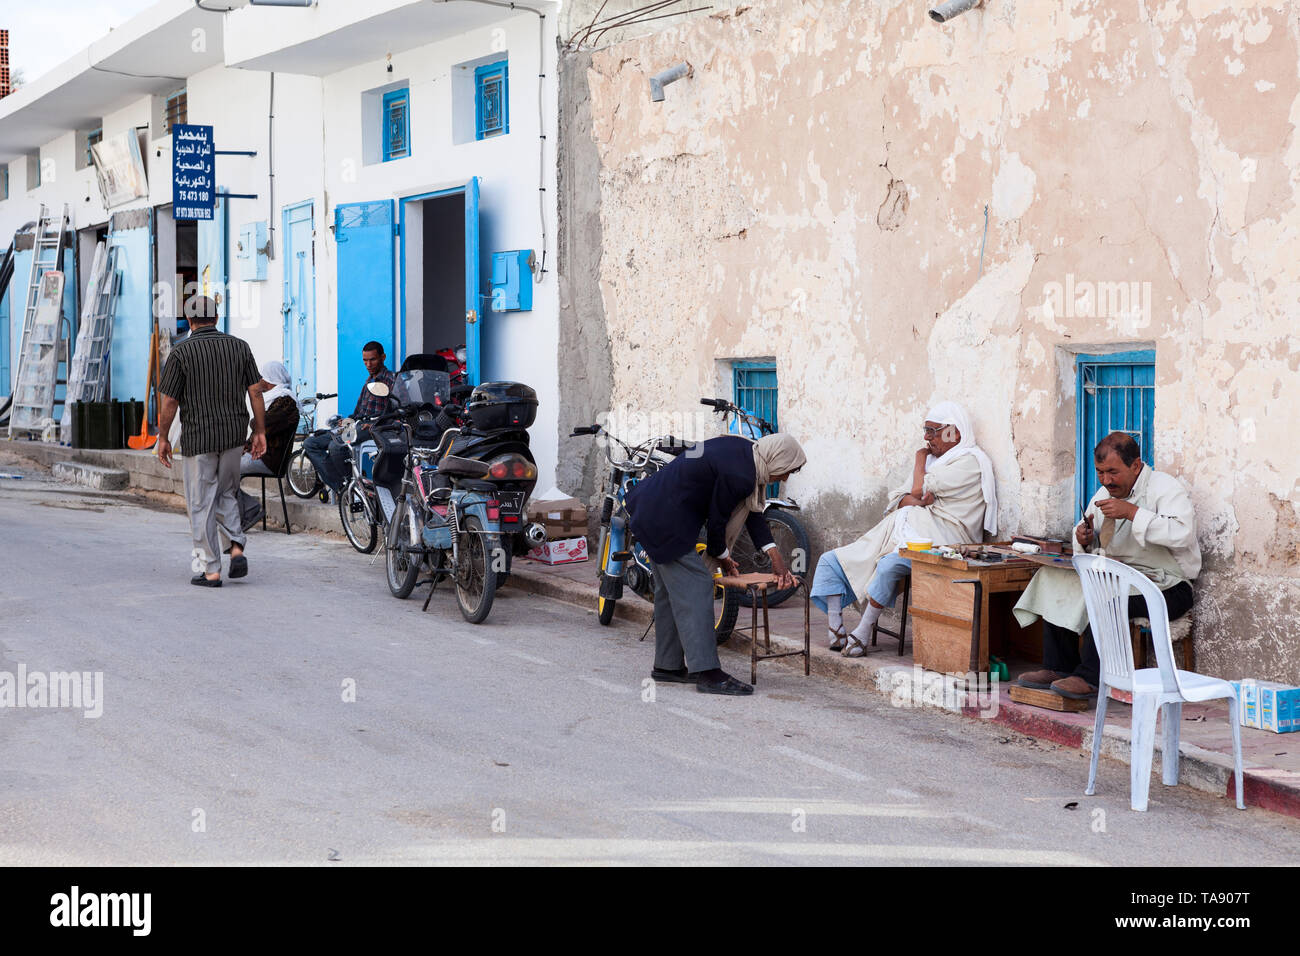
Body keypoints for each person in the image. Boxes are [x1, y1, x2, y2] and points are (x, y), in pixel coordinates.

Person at [1013, 433, 1200, 699]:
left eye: (1113, 472)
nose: (1106, 480)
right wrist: (1084, 537)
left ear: (1135, 466)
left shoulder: (1164, 488)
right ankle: (1058, 667)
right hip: (1123, 576)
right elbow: (1088, 532)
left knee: (1106, 599)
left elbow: (1182, 533)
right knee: (1055, 579)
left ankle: (1090, 677)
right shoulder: (1104, 492)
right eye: (1100, 472)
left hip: (1168, 585)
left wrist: (1132, 512)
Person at [624, 433, 807, 696]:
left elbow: (754, 516)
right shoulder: (742, 474)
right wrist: (723, 557)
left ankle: (667, 666)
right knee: (697, 585)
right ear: (776, 458)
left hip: (653, 509)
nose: (786, 478)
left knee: (669, 593)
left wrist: (777, 559)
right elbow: (717, 523)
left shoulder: (749, 455)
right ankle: (708, 673)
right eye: (788, 471)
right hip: (664, 519)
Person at [810, 401, 998, 657]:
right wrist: (917, 497)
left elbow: (918, 489)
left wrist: (919, 462)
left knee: (888, 565)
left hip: (943, 539)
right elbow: (900, 496)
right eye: (926, 430)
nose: (926, 438)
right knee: (830, 561)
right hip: (905, 532)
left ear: (954, 432)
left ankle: (862, 633)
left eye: (933, 431)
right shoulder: (936, 462)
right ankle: (836, 631)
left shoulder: (969, 462)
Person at [156, 296, 266, 587]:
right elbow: (256, 392)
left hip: (199, 439)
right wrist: (259, 431)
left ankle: (211, 569)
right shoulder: (240, 347)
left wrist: (163, 437)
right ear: (216, 318)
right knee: (227, 493)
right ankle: (237, 546)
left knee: (202, 502)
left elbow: (170, 402)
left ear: (189, 321)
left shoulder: (181, 353)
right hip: (233, 436)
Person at [302, 341, 397, 495]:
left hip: (373, 427)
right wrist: (346, 421)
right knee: (311, 443)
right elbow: (358, 411)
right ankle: (343, 487)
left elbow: (398, 411)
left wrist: (377, 424)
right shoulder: (368, 381)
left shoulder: (392, 380)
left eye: (372, 359)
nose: (368, 364)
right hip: (356, 425)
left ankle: (353, 489)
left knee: (336, 446)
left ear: (383, 357)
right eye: (365, 360)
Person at [236, 361, 301, 531]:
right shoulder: (274, 399)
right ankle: (243, 511)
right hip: (260, 455)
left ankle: (250, 509)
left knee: (225, 469)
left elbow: (261, 425)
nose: (258, 380)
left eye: (261, 377)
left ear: (269, 379)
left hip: (270, 460)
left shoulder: (286, 402)